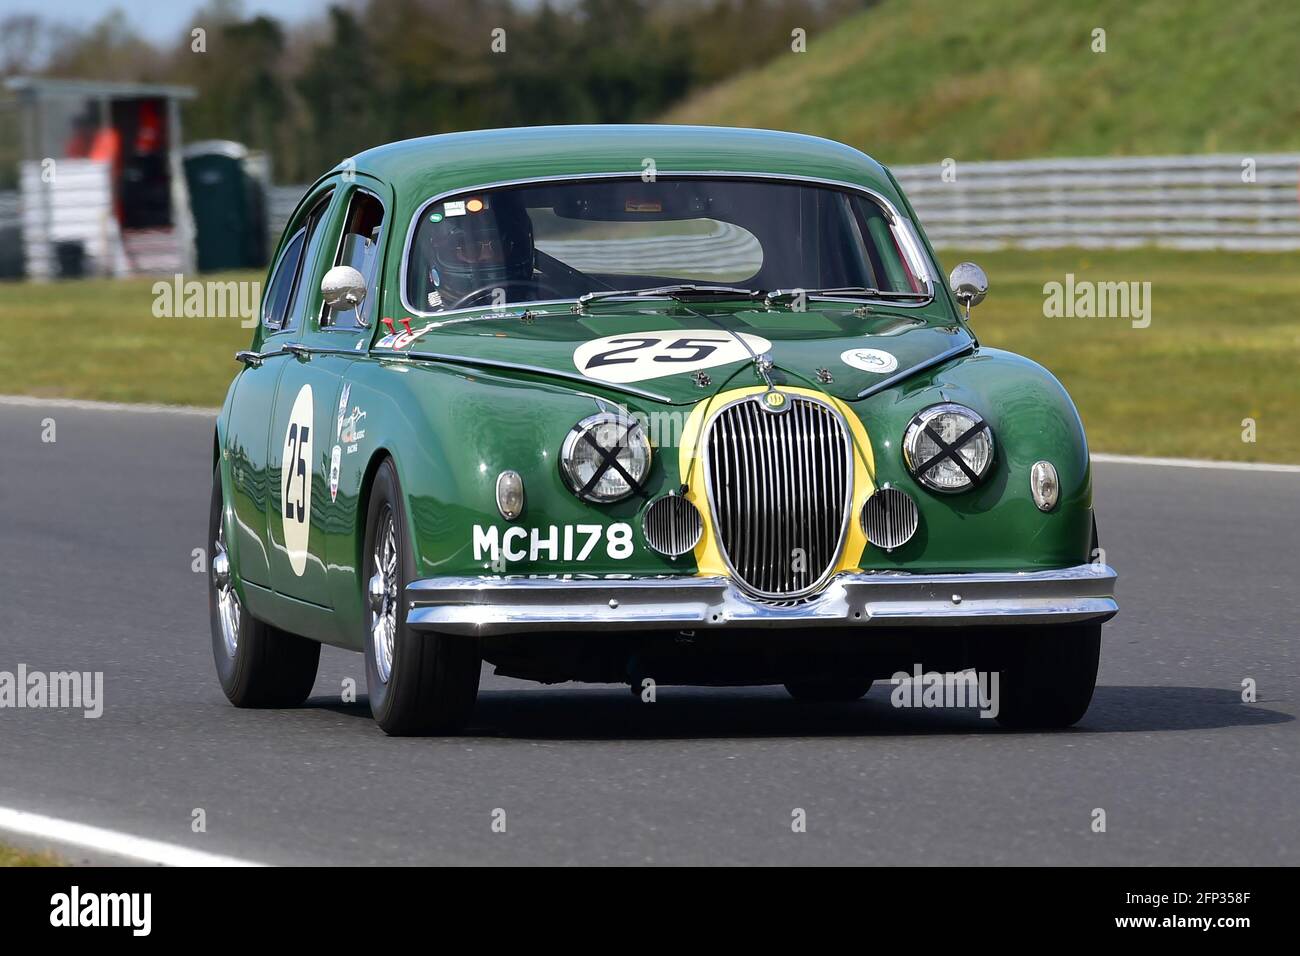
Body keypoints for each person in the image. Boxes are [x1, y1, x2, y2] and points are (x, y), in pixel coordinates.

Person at [417, 194, 535, 309]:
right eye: (471, 248)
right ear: (449, 253)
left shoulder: (545, 298)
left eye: (498, 246)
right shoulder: (423, 311)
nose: (488, 256)